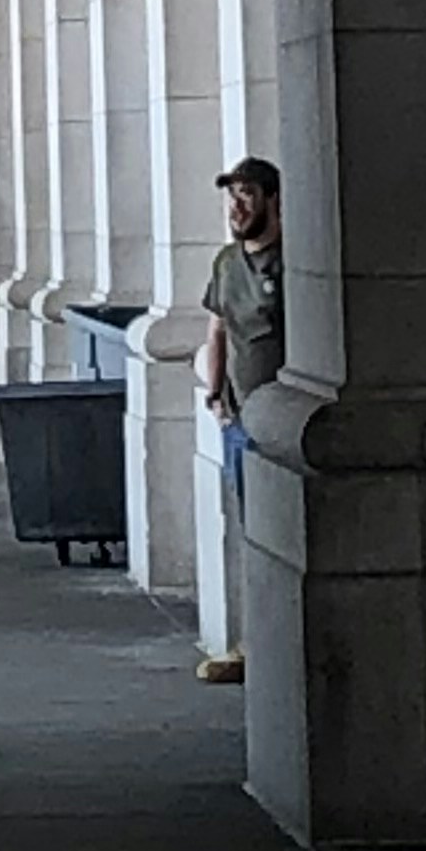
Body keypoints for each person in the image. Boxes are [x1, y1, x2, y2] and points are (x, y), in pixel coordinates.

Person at [195, 155, 283, 682]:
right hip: (239, 419)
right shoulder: (228, 263)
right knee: (252, 533)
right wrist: (215, 395)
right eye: (232, 194)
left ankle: (270, 645)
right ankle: (254, 644)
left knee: (278, 535)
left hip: (281, 423)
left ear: (272, 200)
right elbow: (217, 328)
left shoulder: (293, 262)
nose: (237, 204)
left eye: (248, 193)